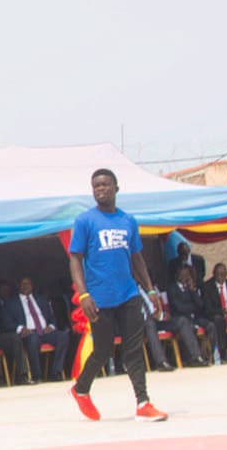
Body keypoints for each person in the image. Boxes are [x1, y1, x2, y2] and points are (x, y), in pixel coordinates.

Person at [68, 169, 168, 422]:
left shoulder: (128, 220)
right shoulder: (85, 221)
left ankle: (143, 403)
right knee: (103, 351)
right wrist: (83, 295)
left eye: (105, 184)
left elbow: (136, 258)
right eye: (96, 186)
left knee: (133, 350)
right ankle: (81, 389)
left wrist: (150, 290)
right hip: (99, 298)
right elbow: (75, 259)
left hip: (128, 294)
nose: (100, 189)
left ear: (116, 188)